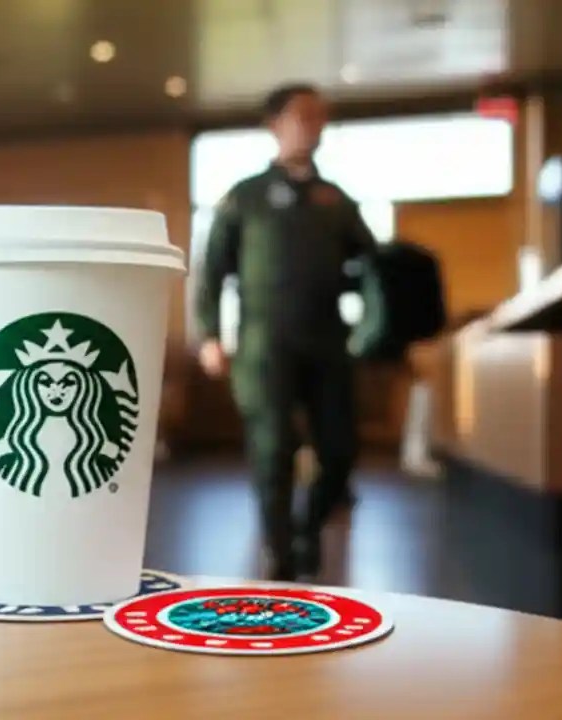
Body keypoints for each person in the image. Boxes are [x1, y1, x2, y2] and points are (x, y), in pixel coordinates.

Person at [194, 83, 377, 581]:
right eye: (302, 115)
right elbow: (213, 269)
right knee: (273, 449)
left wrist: (374, 325)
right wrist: (210, 334)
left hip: (327, 340)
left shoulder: (335, 201)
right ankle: (279, 550)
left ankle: (307, 528)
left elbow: (372, 266)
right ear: (274, 124)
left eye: (320, 117)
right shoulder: (246, 197)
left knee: (339, 451)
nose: (313, 125)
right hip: (265, 343)